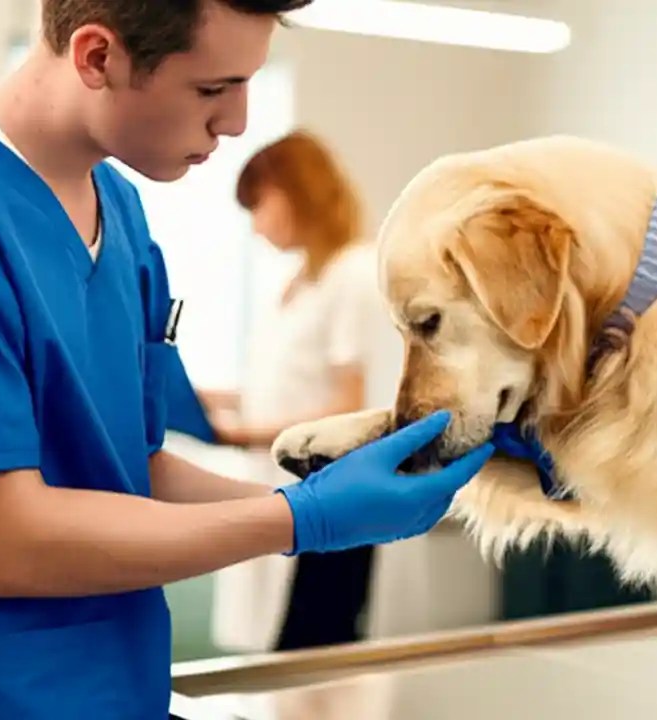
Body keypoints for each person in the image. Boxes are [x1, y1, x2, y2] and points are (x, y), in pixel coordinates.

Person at [0, 1, 495, 718]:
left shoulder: (121, 212)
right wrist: (299, 520)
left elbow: (138, 467)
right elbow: (9, 543)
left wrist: (337, 502)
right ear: (98, 57)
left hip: (123, 690)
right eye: (211, 89)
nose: (236, 122)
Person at [200, 130, 399, 717]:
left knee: (314, 667)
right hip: (280, 492)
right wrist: (203, 399)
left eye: (260, 205)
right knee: (278, 671)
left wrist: (238, 433)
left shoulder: (354, 275)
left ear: (294, 193)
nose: (257, 226)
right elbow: (280, 386)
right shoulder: (297, 284)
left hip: (329, 500)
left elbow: (349, 408)